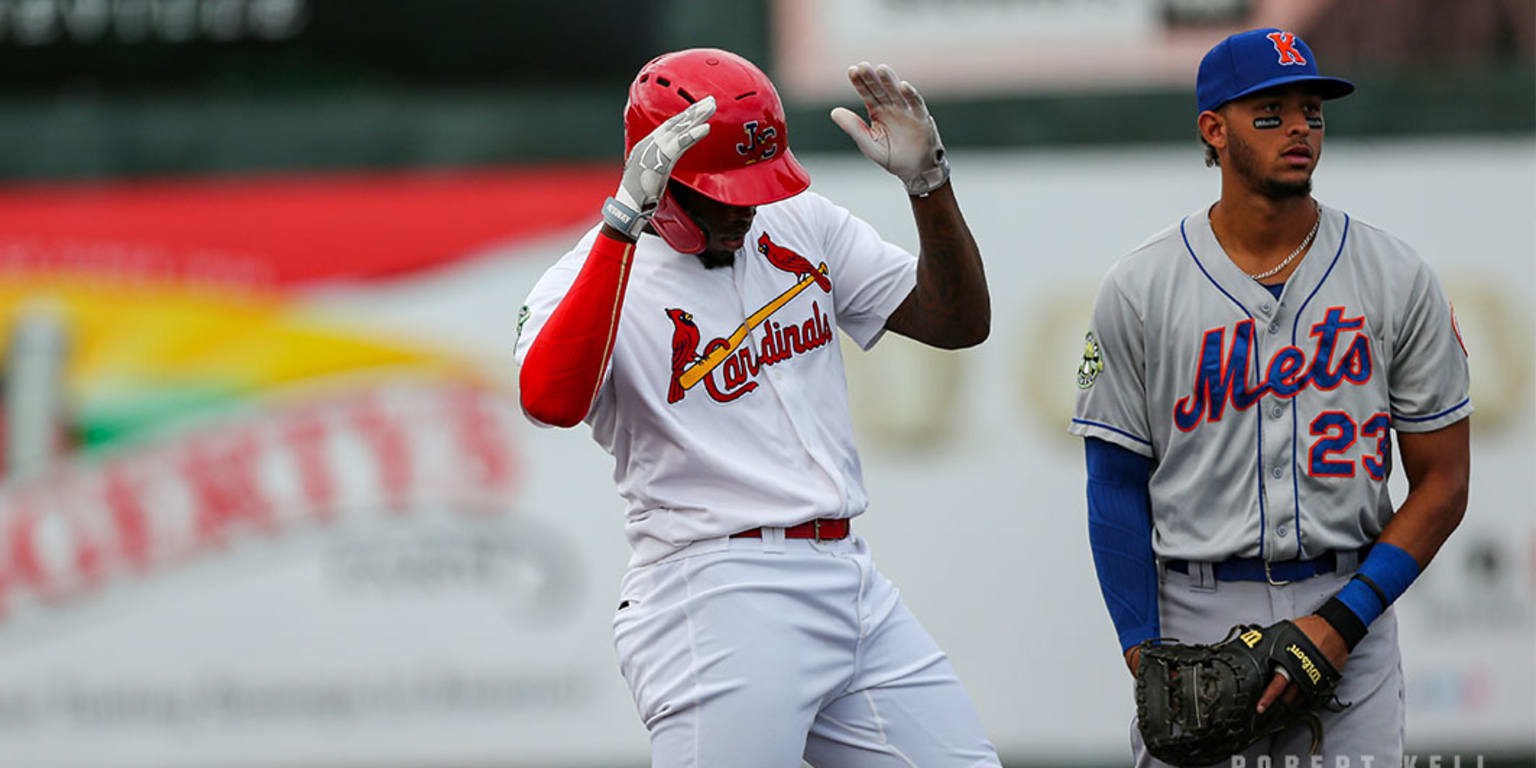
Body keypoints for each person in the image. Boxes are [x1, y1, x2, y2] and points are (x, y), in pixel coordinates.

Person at [514, 48, 1000, 767]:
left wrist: (929, 186)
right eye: (725, 192)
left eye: (758, 185)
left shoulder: (798, 221)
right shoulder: (588, 278)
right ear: (662, 179)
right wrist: (622, 224)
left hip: (851, 580)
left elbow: (957, 322)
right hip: (716, 593)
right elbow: (550, 402)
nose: (746, 208)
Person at [1071, 27, 1472, 765]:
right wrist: (1143, 653)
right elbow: (1114, 485)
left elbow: (1444, 480)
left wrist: (1344, 622)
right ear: (1213, 130)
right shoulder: (1142, 286)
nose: (1299, 128)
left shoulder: (1394, 275)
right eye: (1271, 112)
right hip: (1196, 614)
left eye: (1311, 111)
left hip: (1348, 599)